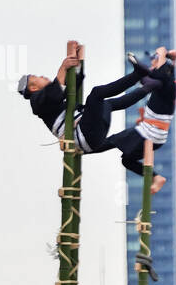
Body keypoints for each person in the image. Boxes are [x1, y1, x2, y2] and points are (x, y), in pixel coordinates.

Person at [17, 42, 164, 185]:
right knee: (96, 93)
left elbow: (72, 86)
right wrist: (63, 67)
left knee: (107, 104)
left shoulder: (49, 97)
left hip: (90, 134)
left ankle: (143, 80)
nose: (42, 76)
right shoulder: (36, 101)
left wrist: (78, 62)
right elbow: (56, 94)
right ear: (34, 87)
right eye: (37, 77)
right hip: (84, 136)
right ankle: (139, 76)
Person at [105, 48, 176, 190]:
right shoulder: (165, 81)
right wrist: (168, 58)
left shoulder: (166, 83)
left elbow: (151, 76)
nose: (152, 66)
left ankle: (82, 148)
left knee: (112, 140)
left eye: (154, 63)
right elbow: (150, 75)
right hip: (151, 131)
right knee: (127, 160)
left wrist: (162, 54)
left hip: (151, 132)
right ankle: (156, 177)